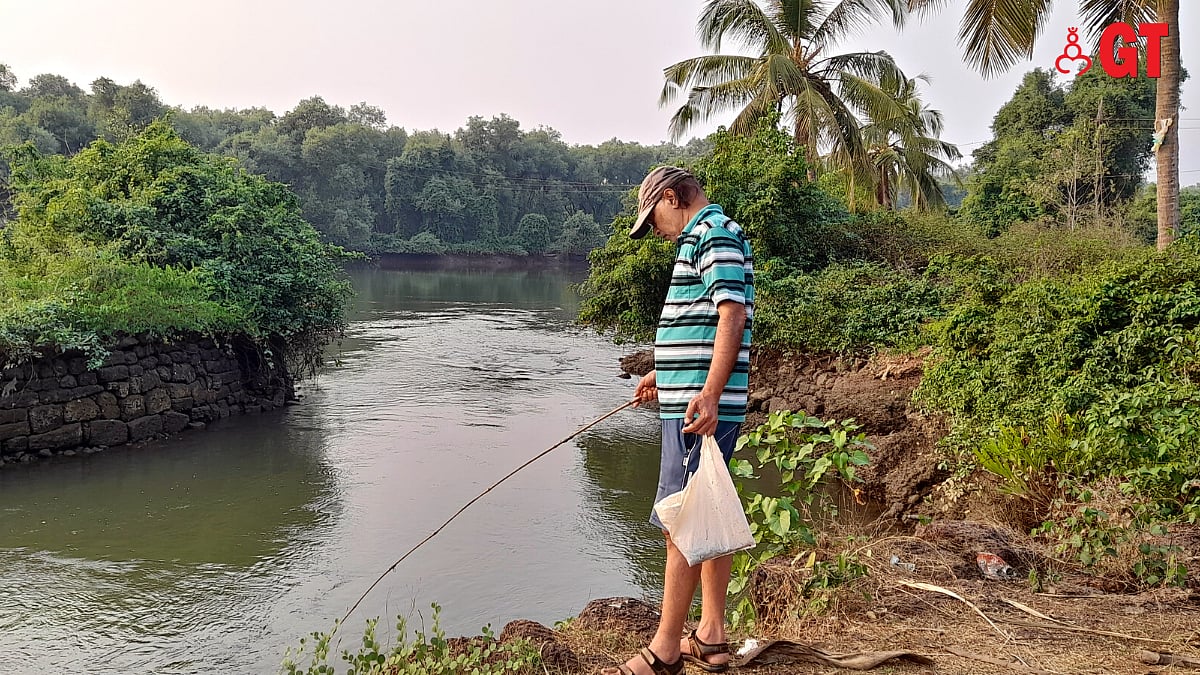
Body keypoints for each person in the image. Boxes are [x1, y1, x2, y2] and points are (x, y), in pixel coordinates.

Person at [603, 166, 754, 675]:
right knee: (705, 511)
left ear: (672, 198)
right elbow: (702, 323)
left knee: (682, 521)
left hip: (699, 411)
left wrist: (708, 394)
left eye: (655, 219)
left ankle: (665, 649)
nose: (656, 231)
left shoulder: (710, 233)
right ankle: (711, 636)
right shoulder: (707, 236)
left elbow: (732, 313)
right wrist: (662, 379)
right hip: (689, 402)